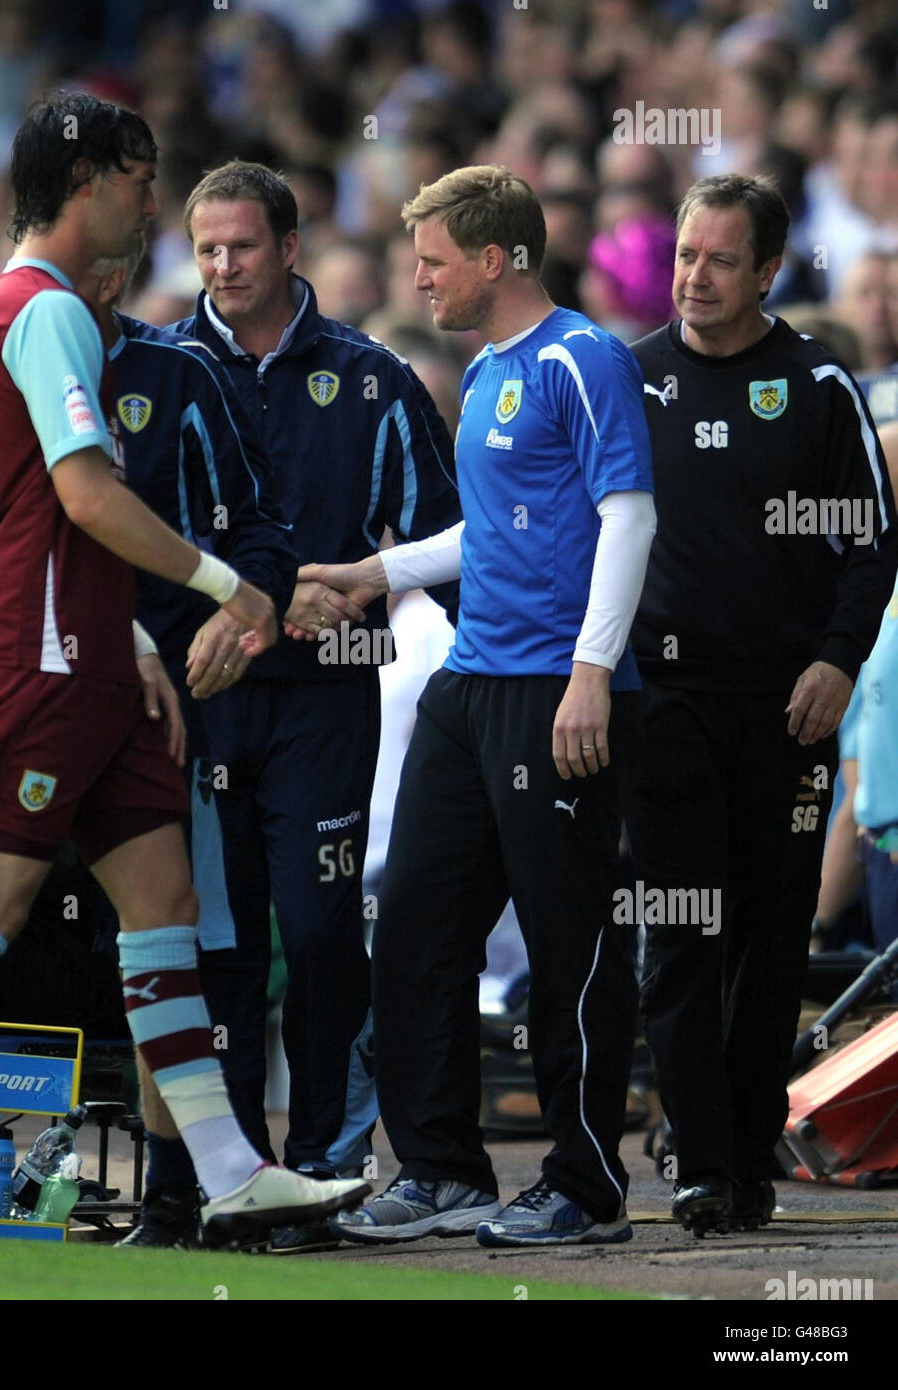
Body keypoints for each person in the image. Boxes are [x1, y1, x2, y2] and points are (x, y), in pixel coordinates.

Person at [0, 92, 367, 1240]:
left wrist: (132, 637)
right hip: (36, 651)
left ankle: (226, 1165)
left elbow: (52, 510)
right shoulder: (46, 313)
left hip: (93, 652)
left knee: (162, 901)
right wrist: (231, 589)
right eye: (140, 178)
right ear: (90, 181)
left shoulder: (30, 311)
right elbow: (85, 497)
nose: (152, 201)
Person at [299, 164, 657, 1247]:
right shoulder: (494, 369)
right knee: (413, 925)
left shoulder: (581, 356)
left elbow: (627, 514)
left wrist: (592, 670)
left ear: (494, 260)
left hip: (555, 686)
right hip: (471, 682)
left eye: (435, 259)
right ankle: (441, 1168)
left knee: (566, 945)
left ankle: (586, 1188)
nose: (419, 276)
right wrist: (373, 571)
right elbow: (490, 535)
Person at [156, 161, 461, 1252]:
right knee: (216, 946)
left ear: (290, 247)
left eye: (244, 246)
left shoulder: (371, 379)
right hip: (198, 707)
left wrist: (352, 595)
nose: (225, 268)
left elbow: (438, 540)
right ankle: (231, 1171)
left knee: (324, 928)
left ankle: (326, 1161)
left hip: (326, 704)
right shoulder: (154, 367)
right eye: (207, 250)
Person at [626, 173, 898, 1235]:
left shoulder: (816, 382)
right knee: (681, 936)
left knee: (769, 941)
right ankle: (700, 1162)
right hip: (666, 708)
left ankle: (747, 1153)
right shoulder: (630, 379)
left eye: (719, 260)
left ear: (767, 272)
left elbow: (869, 550)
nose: (693, 277)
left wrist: (835, 661)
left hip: (785, 712)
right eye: (685, 255)